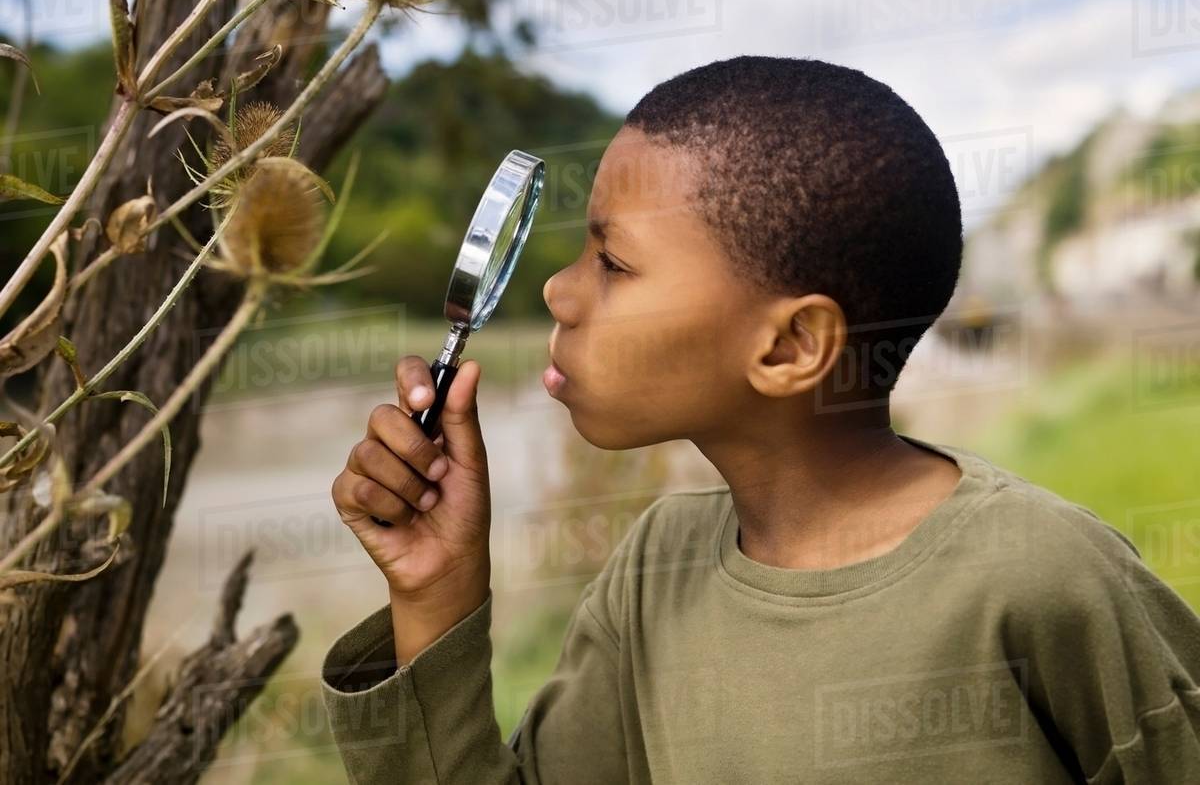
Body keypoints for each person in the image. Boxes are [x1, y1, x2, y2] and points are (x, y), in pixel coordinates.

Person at [322, 56, 1200, 783]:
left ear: (789, 348)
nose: (558, 290)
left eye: (614, 262)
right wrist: (435, 596)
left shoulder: (1043, 577)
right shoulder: (650, 576)